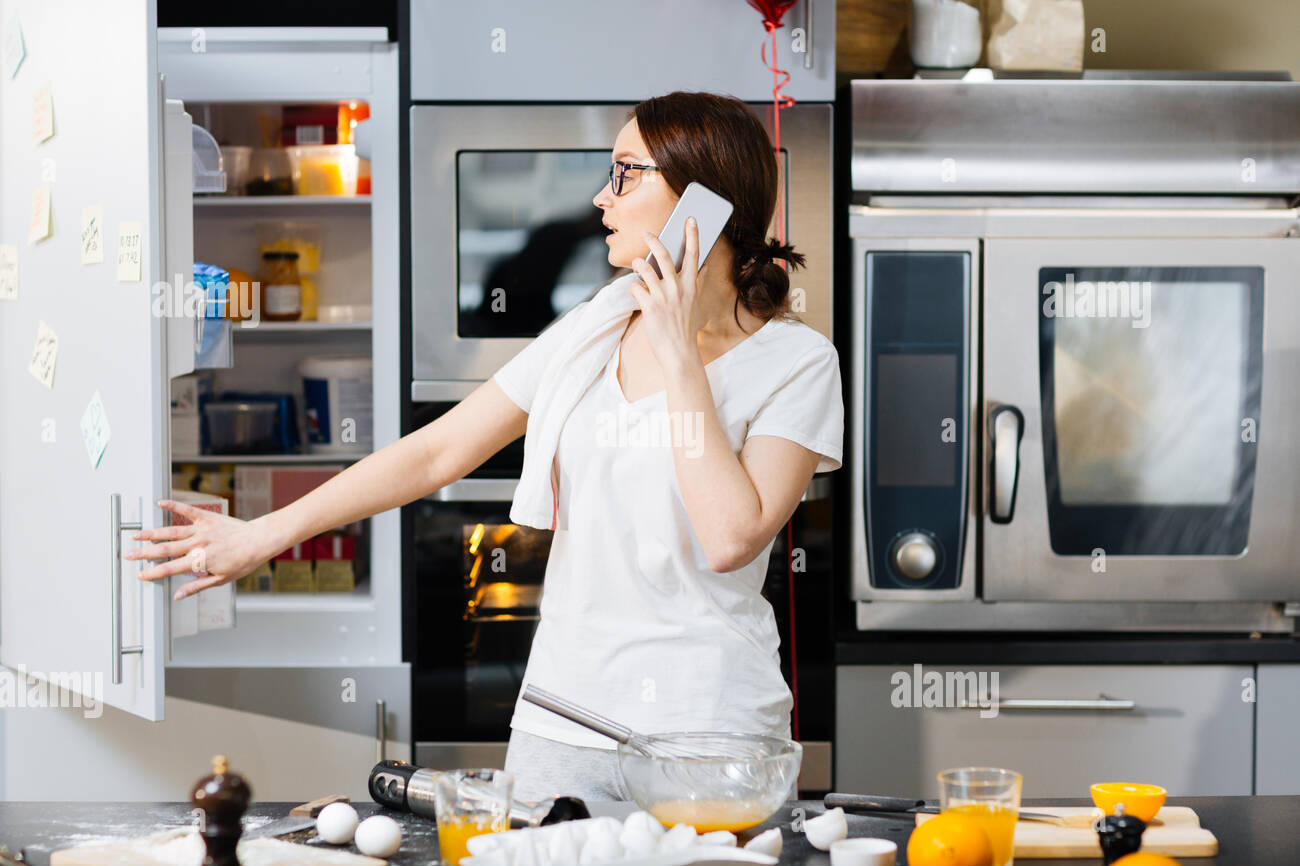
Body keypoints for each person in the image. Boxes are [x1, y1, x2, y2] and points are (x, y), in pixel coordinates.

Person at [126, 91, 844, 804]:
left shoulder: (795, 364)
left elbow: (730, 537)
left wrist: (680, 354)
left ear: (703, 201)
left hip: (707, 734)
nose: (602, 196)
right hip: (565, 721)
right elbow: (437, 453)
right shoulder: (598, 324)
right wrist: (262, 536)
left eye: (626, 173)